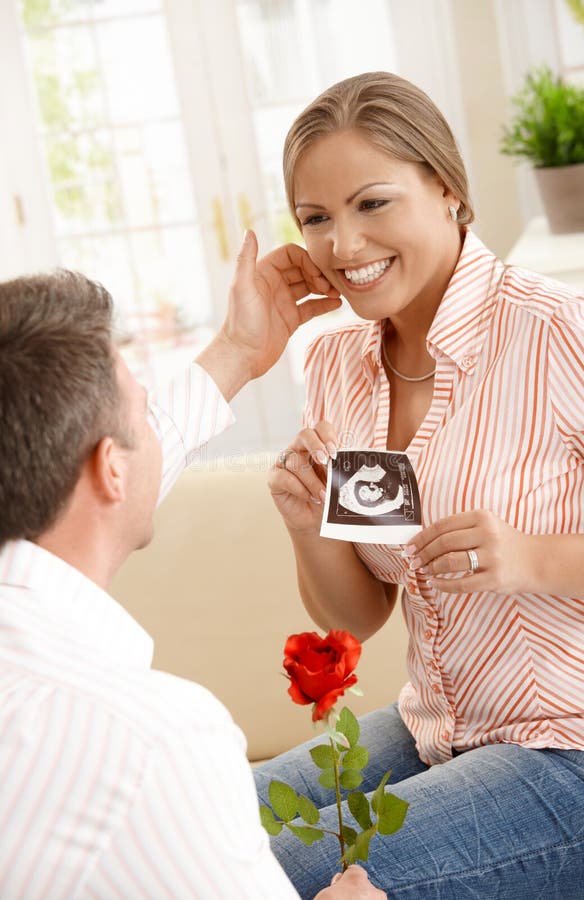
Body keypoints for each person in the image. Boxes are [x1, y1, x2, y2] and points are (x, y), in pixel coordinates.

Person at [257, 71, 584, 899]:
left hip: (577, 747)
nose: (344, 245)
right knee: (213, 826)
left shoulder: (555, 331)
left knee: (297, 873)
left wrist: (532, 560)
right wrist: (310, 528)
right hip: (440, 731)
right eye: (316, 218)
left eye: (372, 203)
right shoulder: (339, 366)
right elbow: (360, 616)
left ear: (446, 188)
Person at [0, 231, 387, 899]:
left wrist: (238, 351)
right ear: (109, 468)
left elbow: (111, 465)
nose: (157, 423)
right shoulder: (154, 741)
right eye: (144, 409)